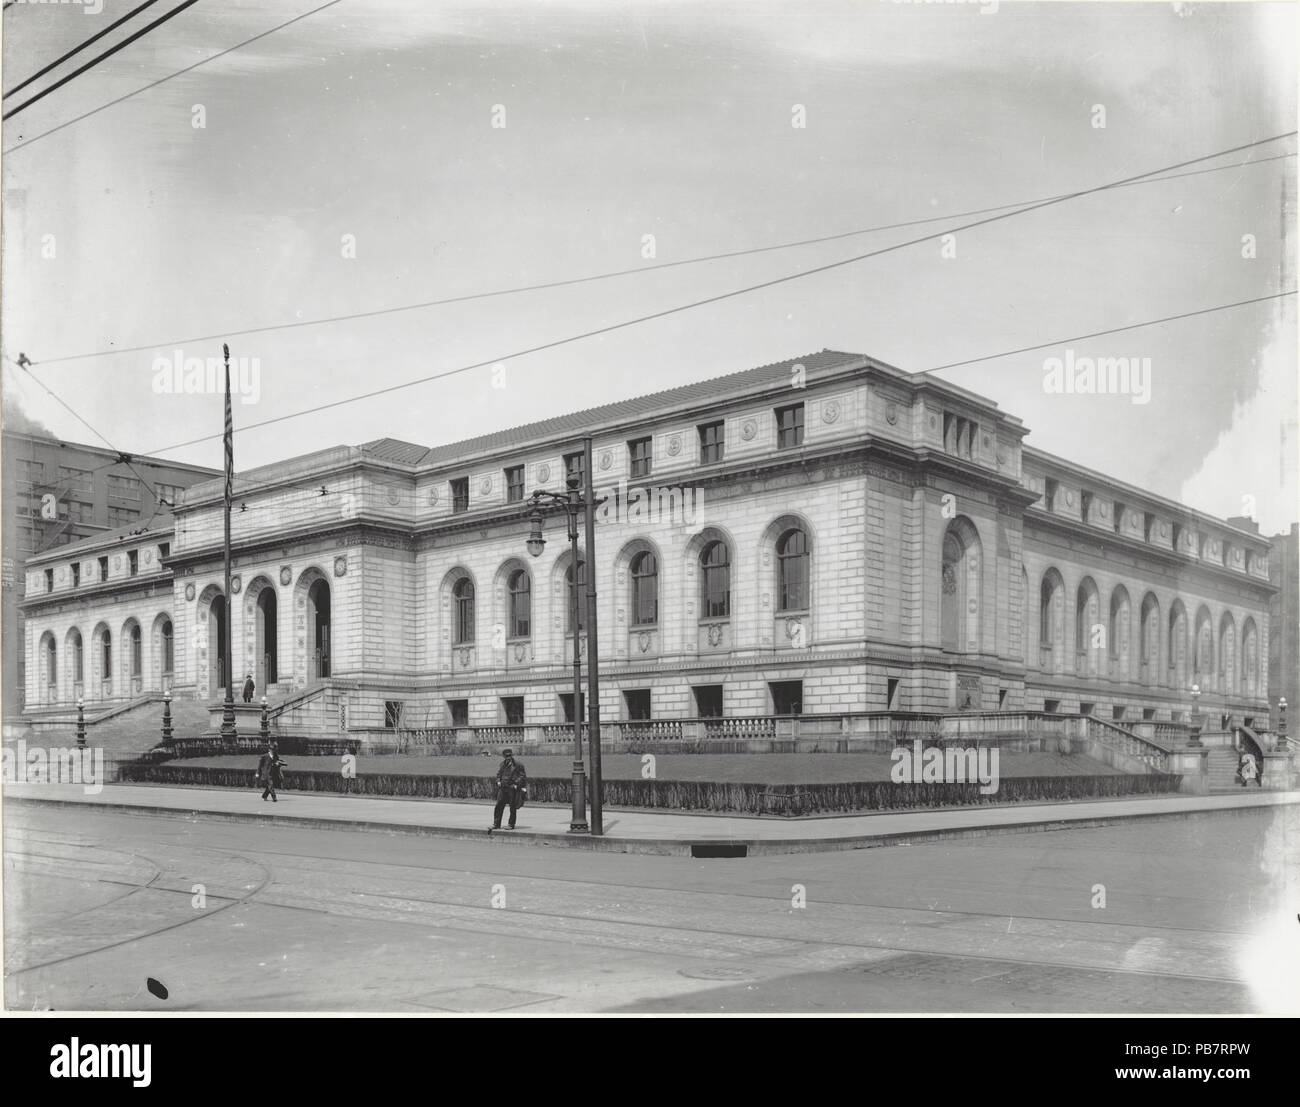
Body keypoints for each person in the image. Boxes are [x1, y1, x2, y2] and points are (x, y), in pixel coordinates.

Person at [491, 748, 528, 830]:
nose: (508, 757)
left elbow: (522, 776)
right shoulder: (502, 764)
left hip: (512, 788)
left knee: (512, 807)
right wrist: (498, 781)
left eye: (510, 755)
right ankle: (496, 824)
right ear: (504, 756)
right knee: (498, 806)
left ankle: (511, 824)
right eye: (507, 756)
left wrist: (516, 784)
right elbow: (498, 775)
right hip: (503, 788)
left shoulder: (518, 765)